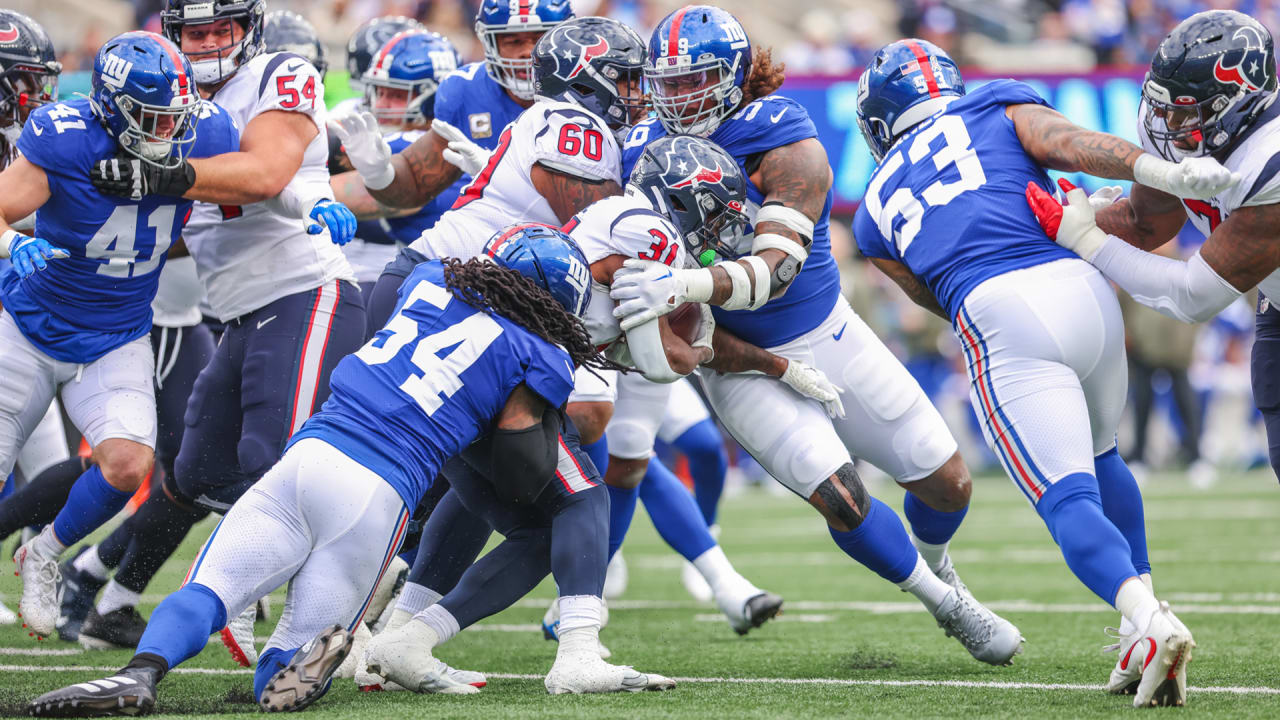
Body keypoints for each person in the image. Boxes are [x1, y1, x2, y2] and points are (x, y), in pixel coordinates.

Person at [27, 224, 652, 715]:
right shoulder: (536, 350)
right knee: (294, 650)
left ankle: (139, 674)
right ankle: (297, 661)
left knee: (206, 592)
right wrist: (527, 408)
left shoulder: (429, 282)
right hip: (376, 498)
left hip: (308, 455)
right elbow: (522, 476)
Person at [611, 5, 1018, 665]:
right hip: (734, 361)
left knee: (950, 486)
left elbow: (773, 272)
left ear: (736, 76)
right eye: (671, 82)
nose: (681, 96)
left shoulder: (780, 131)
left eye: (697, 80)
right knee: (839, 493)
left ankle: (940, 564)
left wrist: (684, 285)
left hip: (826, 332)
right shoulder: (636, 151)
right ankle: (946, 606)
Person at [855, 38, 1237, 707]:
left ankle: (1150, 623)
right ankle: (1135, 622)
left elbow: (929, 296)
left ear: (882, 120)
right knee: (1104, 455)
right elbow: (1070, 143)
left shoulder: (871, 210)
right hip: (1082, 285)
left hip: (998, 308)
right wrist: (1161, 171)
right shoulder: (994, 103)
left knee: (1066, 499)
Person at [86, 0, 364, 667]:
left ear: (250, 29)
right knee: (198, 471)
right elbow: (185, 231)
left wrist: (161, 174)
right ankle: (100, 595)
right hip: (238, 312)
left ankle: (308, 631)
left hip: (304, 291)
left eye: (222, 29)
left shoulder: (280, 74)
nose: (209, 43)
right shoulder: (166, 95)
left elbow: (266, 174)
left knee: (280, 466)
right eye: (196, 32)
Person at [0, 29, 239, 639]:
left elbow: (255, 186)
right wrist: (11, 242)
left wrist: (308, 204)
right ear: (111, 106)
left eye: (174, 117)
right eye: (152, 118)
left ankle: (45, 553)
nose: (168, 132)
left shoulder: (203, 129)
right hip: (27, 329)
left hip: (116, 334)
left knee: (129, 465)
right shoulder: (66, 134)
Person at [1027, 10, 1280, 488]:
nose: (1168, 124)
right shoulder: (1175, 128)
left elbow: (1193, 296)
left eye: (1186, 111)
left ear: (1239, 101)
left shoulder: (1271, 160)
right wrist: (1067, 217)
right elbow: (1145, 226)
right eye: (1163, 106)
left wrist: (1087, 238)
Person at [0, 8, 63, 626]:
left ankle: (43, 574)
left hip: (16, 321)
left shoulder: (23, 144)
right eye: (25, 83)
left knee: (50, 470)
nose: (37, 96)